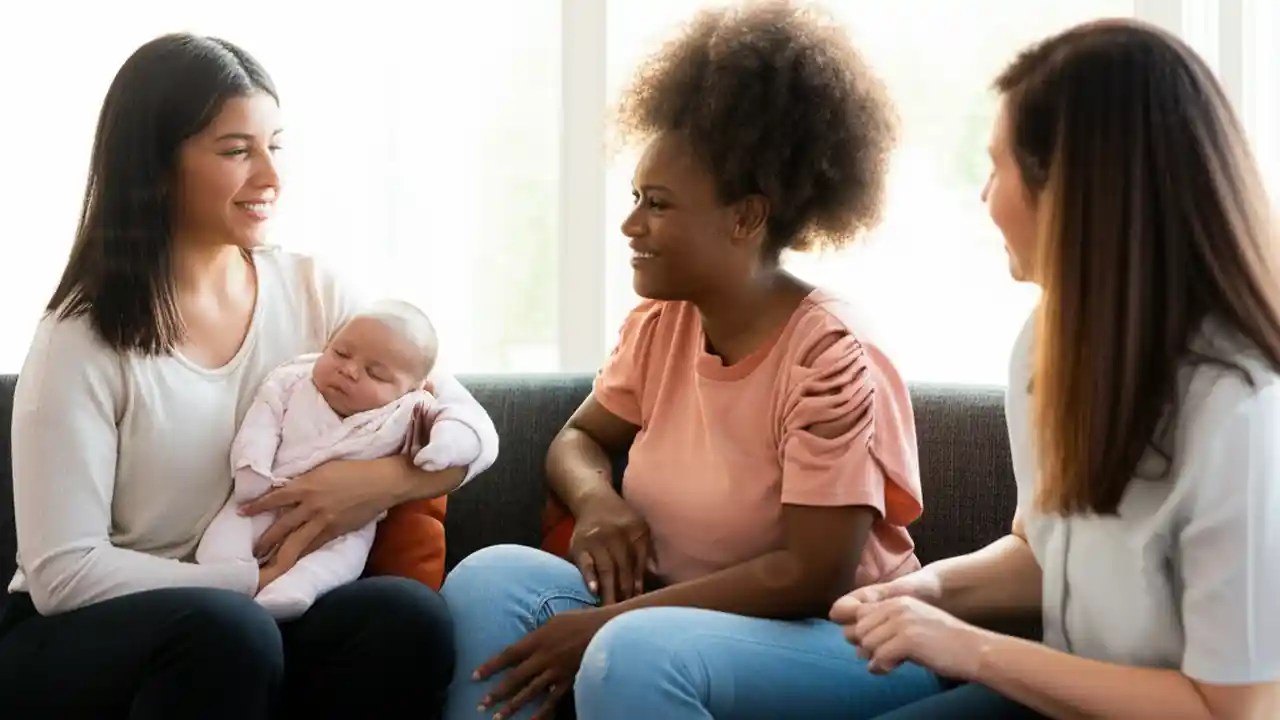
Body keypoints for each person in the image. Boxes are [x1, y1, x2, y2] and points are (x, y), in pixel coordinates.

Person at [440, 4, 947, 719]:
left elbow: (812, 575)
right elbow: (580, 440)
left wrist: (608, 623)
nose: (630, 224)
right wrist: (597, 502)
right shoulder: (663, 323)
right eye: (635, 198)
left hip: (846, 641)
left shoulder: (832, 355)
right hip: (674, 617)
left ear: (745, 218)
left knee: (635, 652)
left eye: (658, 203)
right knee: (489, 580)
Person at [0, 33, 498, 719]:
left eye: (275, 145)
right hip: (89, 635)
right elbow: (64, 574)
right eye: (237, 150)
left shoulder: (315, 290)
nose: (271, 176)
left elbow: (476, 434)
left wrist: (378, 483)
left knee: (401, 615)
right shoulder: (81, 339)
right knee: (227, 633)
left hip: (254, 617)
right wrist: (244, 579)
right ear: (156, 167)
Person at [831, 19, 1280, 720]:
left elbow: (1232, 711)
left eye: (997, 166)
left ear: (1072, 193)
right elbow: (1045, 553)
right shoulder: (1047, 342)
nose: (985, 197)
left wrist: (967, 647)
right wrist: (929, 593)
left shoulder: (1242, 411)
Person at [196, 299, 487, 620]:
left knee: (340, 561)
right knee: (224, 541)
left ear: (413, 388)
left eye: (374, 373)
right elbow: (260, 426)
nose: (348, 370)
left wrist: (442, 447)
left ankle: (292, 592)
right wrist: (252, 470)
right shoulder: (294, 380)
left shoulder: (407, 409)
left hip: (345, 528)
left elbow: (468, 427)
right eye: (340, 353)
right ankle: (223, 585)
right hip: (263, 497)